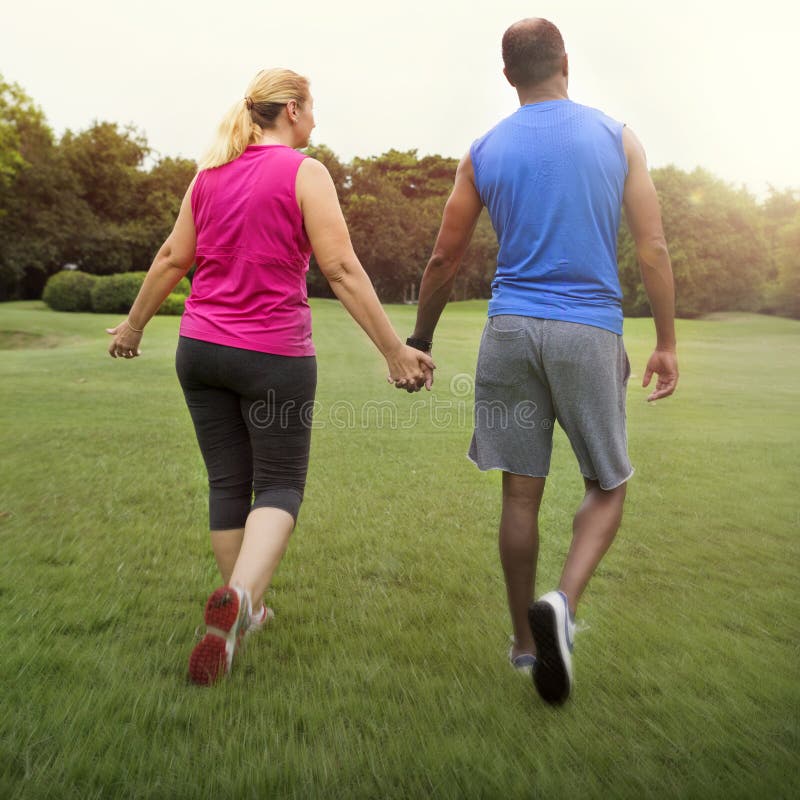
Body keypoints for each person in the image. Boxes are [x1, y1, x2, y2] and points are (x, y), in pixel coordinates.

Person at [106, 68, 435, 686]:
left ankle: (243, 612)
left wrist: (132, 328)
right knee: (280, 484)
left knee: (228, 482)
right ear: (290, 109)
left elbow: (174, 258)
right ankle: (240, 600)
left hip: (199, 351)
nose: (315, 121)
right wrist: (395, 352)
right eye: (311, 109)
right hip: (274, 356)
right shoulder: (304, 172)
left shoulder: (207, 177)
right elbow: (339, 267)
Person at [401, 19, 678, 704]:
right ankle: (563, 605)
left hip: (510, 331)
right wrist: (667, 343)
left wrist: (423, 338)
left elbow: (444, 255)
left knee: (519, 493)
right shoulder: (618, 138)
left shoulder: (484, 149)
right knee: (607, 485)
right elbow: (654, 250)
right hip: (588, 330)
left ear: (507, 75)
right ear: (564, 62)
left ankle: (525, 644)